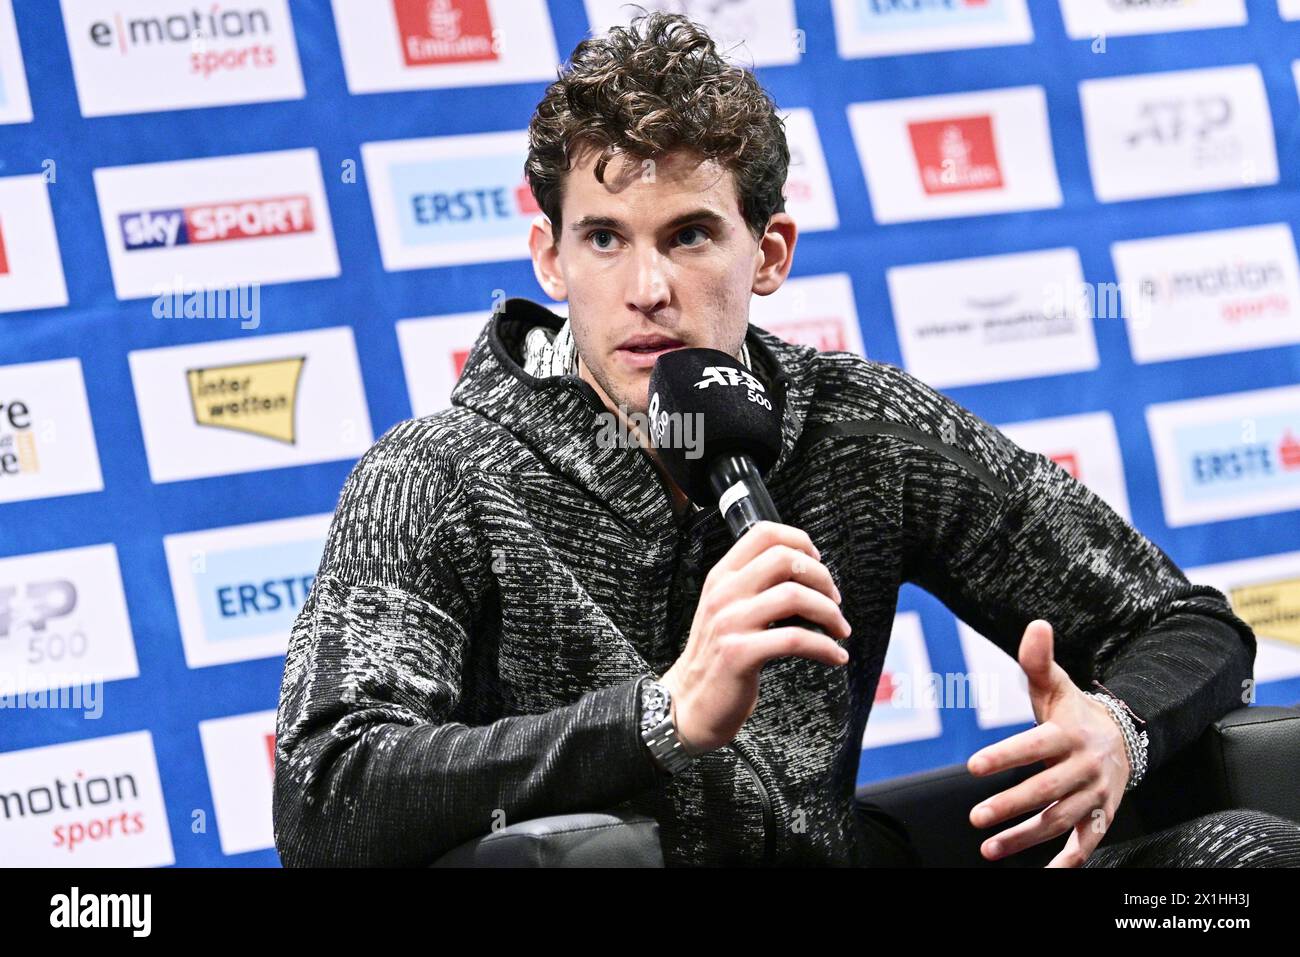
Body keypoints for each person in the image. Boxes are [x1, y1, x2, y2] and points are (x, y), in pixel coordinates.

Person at [272, 11, 1300, 867]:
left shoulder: (858, 426)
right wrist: (655, 716)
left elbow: (1185, 623)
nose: (646, 291)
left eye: (688, 235)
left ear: (768, 253)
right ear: (548, 257)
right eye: (603, 239)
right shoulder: (439, 472)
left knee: (1236, 863)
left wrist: (1115, 728)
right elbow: (327, 792)